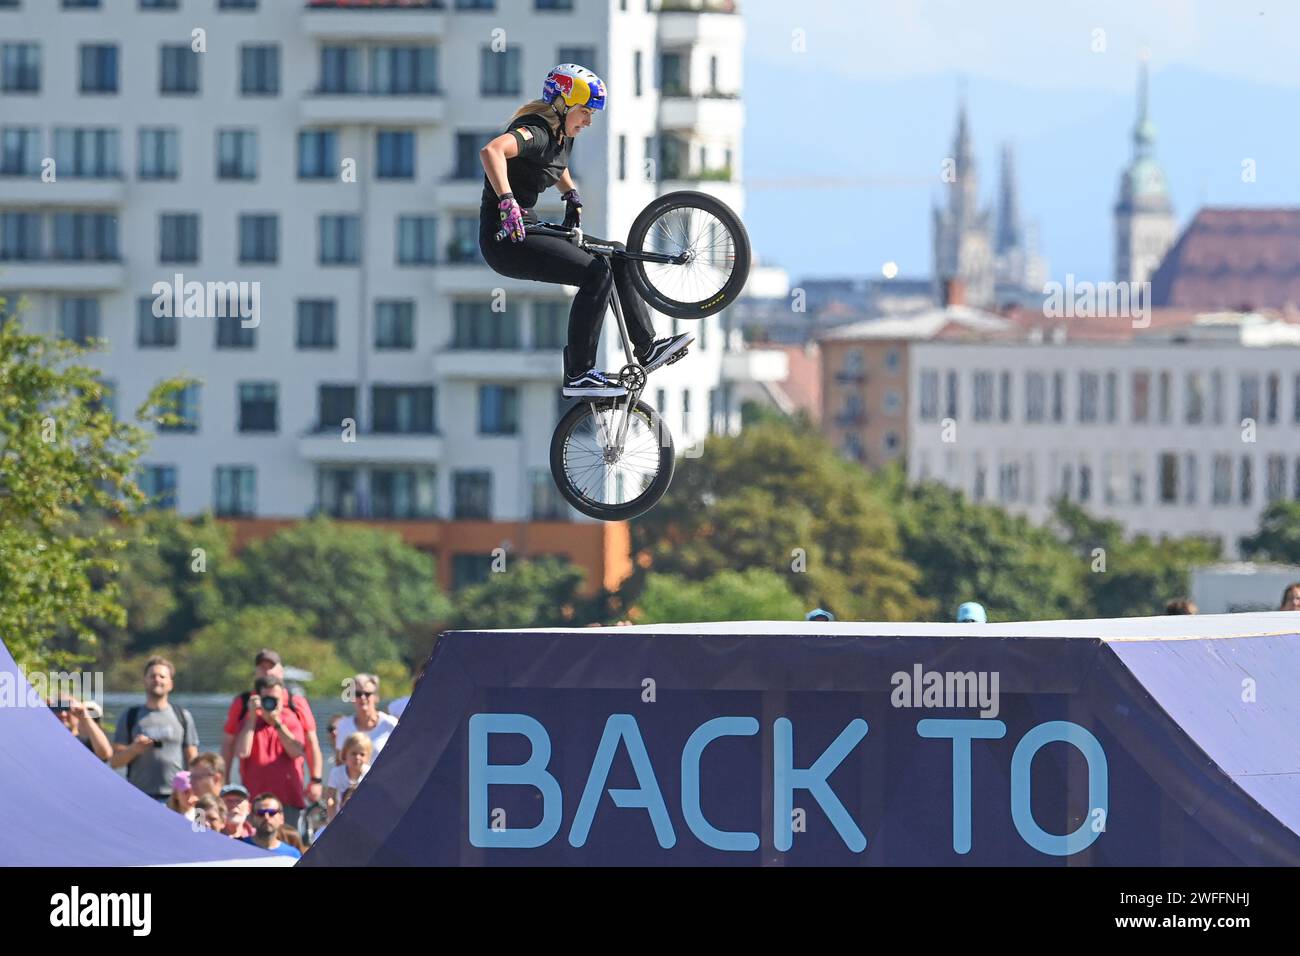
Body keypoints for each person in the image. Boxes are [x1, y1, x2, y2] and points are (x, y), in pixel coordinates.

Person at [479, 62, 693, 398]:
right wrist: (506, 201)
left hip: (530, 228)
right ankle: (579, 374)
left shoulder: (561, 136)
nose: (589, 120)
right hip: (507, 240)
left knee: (618, 255)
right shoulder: (535, 132)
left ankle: (647, 348)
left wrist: (570, 193)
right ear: (563, 104)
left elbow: (553, 163)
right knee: (596, 273)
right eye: (584, 112)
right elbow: (491, 151)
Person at [222, 649, 324, 809]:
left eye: (271, 666)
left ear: (281, 671)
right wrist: (224, 779)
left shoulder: (295, 703)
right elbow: (231, 746)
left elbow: (311, 744)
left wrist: (316, 779)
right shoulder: (243, 703)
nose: (267, 671)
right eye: (262, 667)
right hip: (254, 798)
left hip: (291, 795)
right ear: (255, 672)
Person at [110, 657, 199, 800]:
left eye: (162, 676)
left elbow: (193, 759)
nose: (157, 680)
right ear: (145, 681)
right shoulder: (131, 716)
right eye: (152, 676)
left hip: (175, 798)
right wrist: (134, 749)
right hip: (139, 796)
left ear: (170, 684)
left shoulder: (182, 716)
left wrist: (193, 791)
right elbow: (115, 762)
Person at [233, 674, 309, 828]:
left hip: (288, 802)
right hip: (257, 804)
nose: (271, 703)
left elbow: (296, 751)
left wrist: (278, 724)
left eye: (276, 699)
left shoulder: (291, 721)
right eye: (267, 698)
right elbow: (242, 752)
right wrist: (252, 718)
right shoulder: (250, 723)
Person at [336, 674, 399, 757]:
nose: (362, 697)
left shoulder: (391, 724)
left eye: (367, 694)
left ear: (376, 697)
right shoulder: (343, 726)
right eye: (358, 694)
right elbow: (340, 761)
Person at [326, 732, 373, 822]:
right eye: (354, 753)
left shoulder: (369, 773)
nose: (357, 757)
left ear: (368, 757)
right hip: (341, 818)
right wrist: (332, 819)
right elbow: (330, 798)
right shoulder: (336, 773)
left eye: (362, 754)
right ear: (345, 754)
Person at [238, 794, 302, 860]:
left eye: (272, 812)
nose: (266, 817)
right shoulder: (238, 848)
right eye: (261, 813)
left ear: (281, 818)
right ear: (252, 818)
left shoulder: (292, 855)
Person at [49, 696, 112, 761]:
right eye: (56, 708)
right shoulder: (46, 740)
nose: (63, 714)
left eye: (67, 708)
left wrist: (85, 715)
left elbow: (105, 755)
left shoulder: (86, 743)